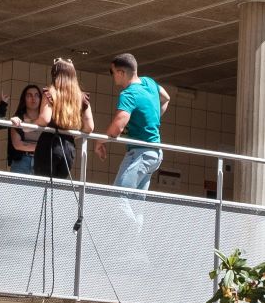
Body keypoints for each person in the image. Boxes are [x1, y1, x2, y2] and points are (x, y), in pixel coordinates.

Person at [97, 53, 169, 197]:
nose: (112, 76)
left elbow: (117, 127)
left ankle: (132, 221)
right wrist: (153, 118)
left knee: (118, 197)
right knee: (136, 204)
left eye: (112, 72)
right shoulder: (149, 82)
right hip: (155, 153)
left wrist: (99, 142)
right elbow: (166, 98)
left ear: (121, 72)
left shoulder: (129, 94)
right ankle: (136, 221)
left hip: (140, 152)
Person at [36, 57, 94, 180]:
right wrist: (74, 135)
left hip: (49, 144)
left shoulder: (50, 93)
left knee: (41, 187)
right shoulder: (82, 97)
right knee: (59, 187)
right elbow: (90, 127)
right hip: (69, 147)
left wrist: (30, 124)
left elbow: (44, 119)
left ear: (54, 74)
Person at [6, 83, 45, 175]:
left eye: (37, 95)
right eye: (29, 95)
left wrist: (29, 146)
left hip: (41, 161)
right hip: (21, 162)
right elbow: (17, 145)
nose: (33, 98)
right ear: (24, 99)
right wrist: (42, 147)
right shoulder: (17, 119)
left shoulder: (46, 120)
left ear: (41, 99)